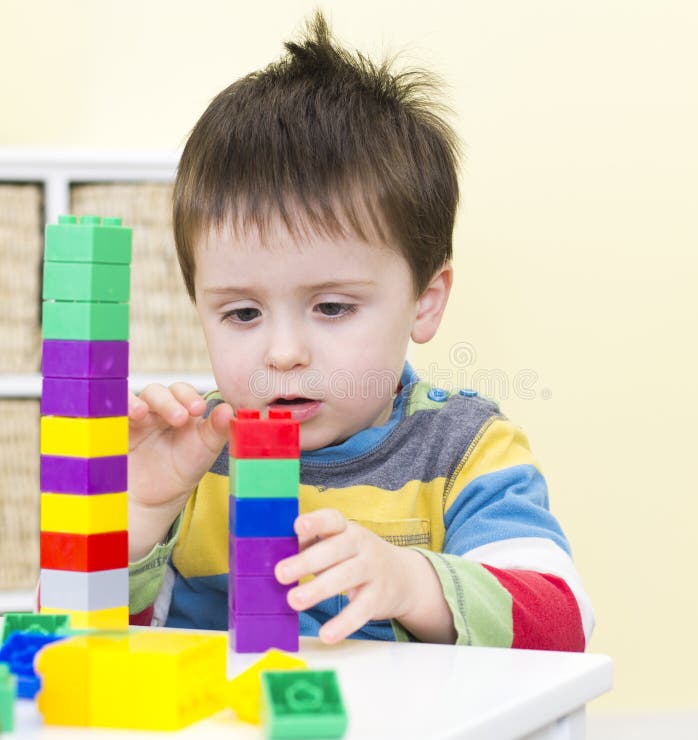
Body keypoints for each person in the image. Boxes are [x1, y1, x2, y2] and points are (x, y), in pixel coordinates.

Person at [127, 12, 594, 650]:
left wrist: (413, 582)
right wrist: (138, 520)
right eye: (242, 313)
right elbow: (76, 650)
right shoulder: (190, 458)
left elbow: (562, 625)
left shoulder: (463, 451)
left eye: (332, 307)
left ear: (424, 303)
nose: (283, 353)